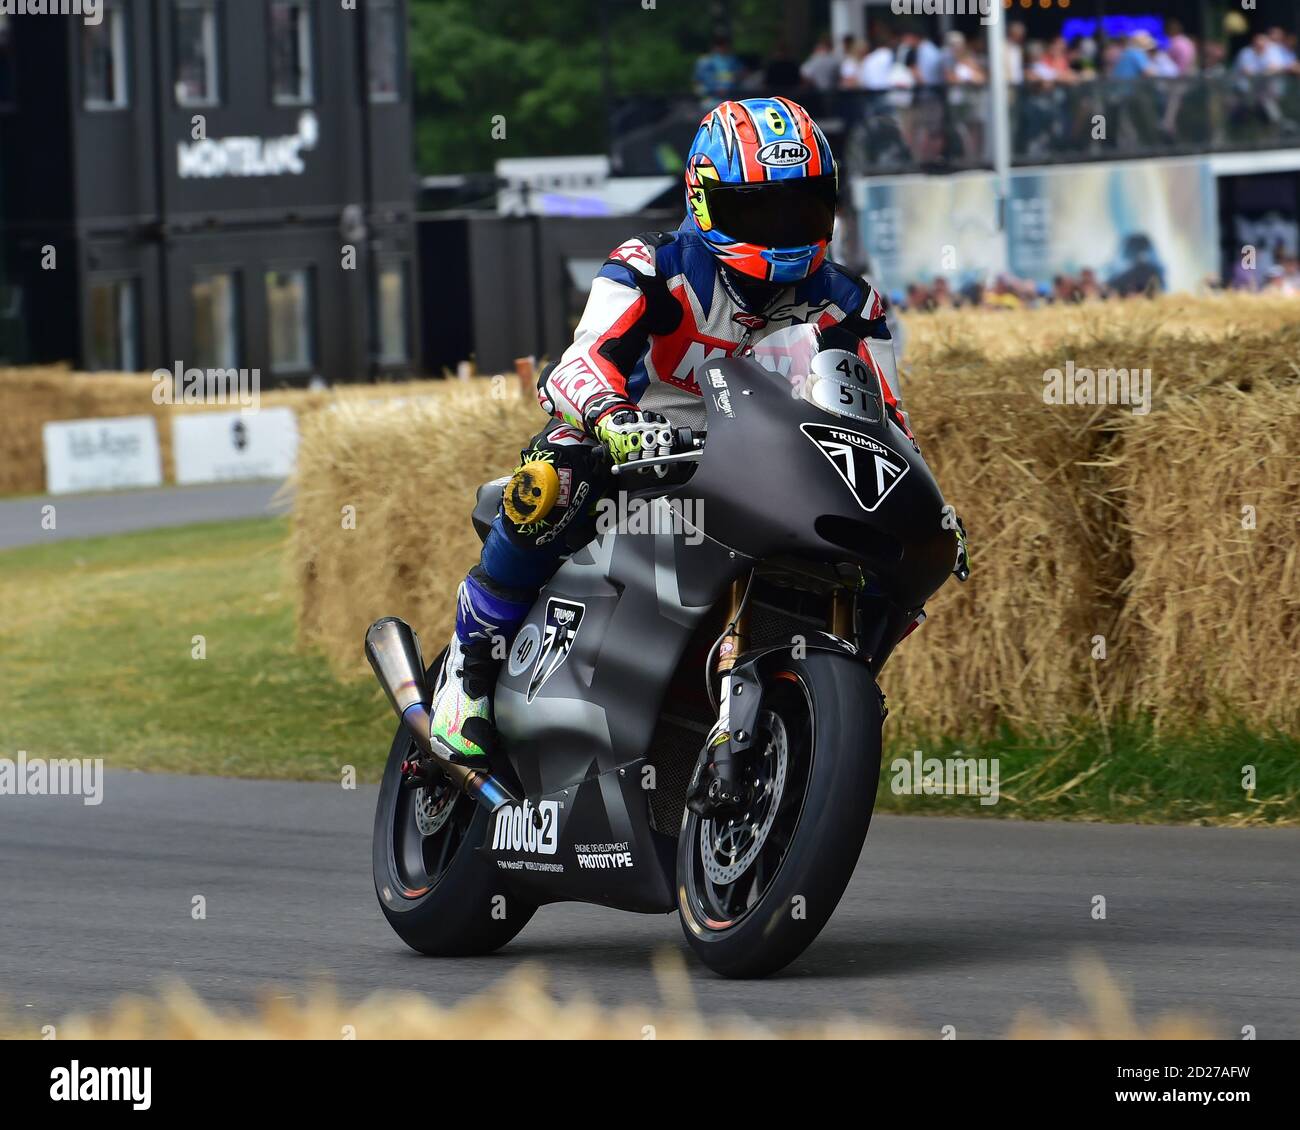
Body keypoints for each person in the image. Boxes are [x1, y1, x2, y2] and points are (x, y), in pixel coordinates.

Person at [427, 98, 918, 765]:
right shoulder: (651, 266)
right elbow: (579, 361)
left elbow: (887, 419)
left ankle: (828, 700)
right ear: (704, 201)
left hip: (771, 471)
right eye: (757, 210)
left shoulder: (853, 306)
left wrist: (922, 508)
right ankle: (470, 667)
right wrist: (612, 416)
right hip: (640, 447)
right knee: (554, 475)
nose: (780, 229)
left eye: (798, 208)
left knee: (885, 568)